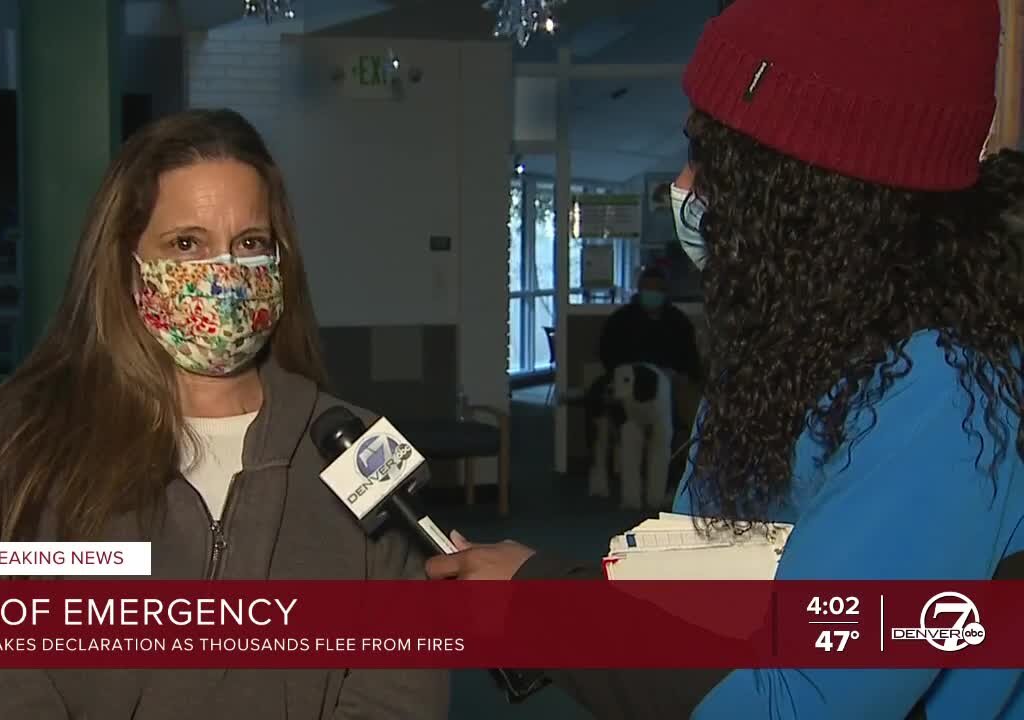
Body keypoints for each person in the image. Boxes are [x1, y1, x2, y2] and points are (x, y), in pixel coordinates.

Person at [427, 0, 1024, 718]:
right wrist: (547, 583)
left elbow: (798, 696)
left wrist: (547, 602)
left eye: (710, 159)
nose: (682, 188)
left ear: (806, 194)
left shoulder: (946, 390)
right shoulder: (787, 343)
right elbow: (710, 586)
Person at [0, 109, 449, 720]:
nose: (224, 275)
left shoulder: (361, 447)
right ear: (128, 265)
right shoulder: (22, 445)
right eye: (186, 244)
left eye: (249, 244)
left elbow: (402, 680)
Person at [597, 265, 702, 385]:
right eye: (648, 289)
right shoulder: (620, 320)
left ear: (665, 292)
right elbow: (608, 354)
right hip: (629, 383)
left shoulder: (678, 321)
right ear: (639, 290)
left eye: (657, 289)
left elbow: (690, 357)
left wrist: (682, 376)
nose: (652, 293)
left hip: (670, 384)